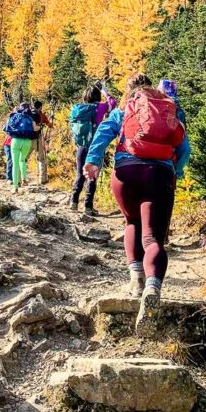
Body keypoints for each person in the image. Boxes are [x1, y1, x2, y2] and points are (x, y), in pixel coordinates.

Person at [83, 74, 191, 337]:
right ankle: (154, 287)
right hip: (160, 173)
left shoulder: (124, 109)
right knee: (153, 236)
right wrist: (174, 171)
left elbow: (103, 133)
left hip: (126, 173)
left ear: (128, 91)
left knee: (132, 222)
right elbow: (184, 148)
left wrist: (93, 161)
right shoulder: (169, 108)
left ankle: (136, 281)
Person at [69, 85, 101, 214]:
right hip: (95, 147)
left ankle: (74, 202)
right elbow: (113, 103)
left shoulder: (78, 109)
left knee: (79, 174)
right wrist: (103, 89)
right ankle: (88, 206)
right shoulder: (99, 108)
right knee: (92, 175)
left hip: (81, 145)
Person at [4, 103, 36, 193]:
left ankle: (15, 186)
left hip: (16, 141)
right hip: (27, 141)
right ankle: (24, 179)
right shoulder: (30, 117)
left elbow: (7, 128)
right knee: (22, 160)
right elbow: (35, 129)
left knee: (15, 163)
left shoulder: (14, 116)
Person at [32, 100, 53, 185]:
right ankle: (43, 179)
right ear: (40, 107)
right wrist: (51, 120)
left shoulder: (28, 114)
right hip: (38, 138)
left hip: (26, 139)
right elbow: (50, 125)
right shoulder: (41, 115)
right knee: (41, 158)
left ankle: (19, 179)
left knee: (23, 159)